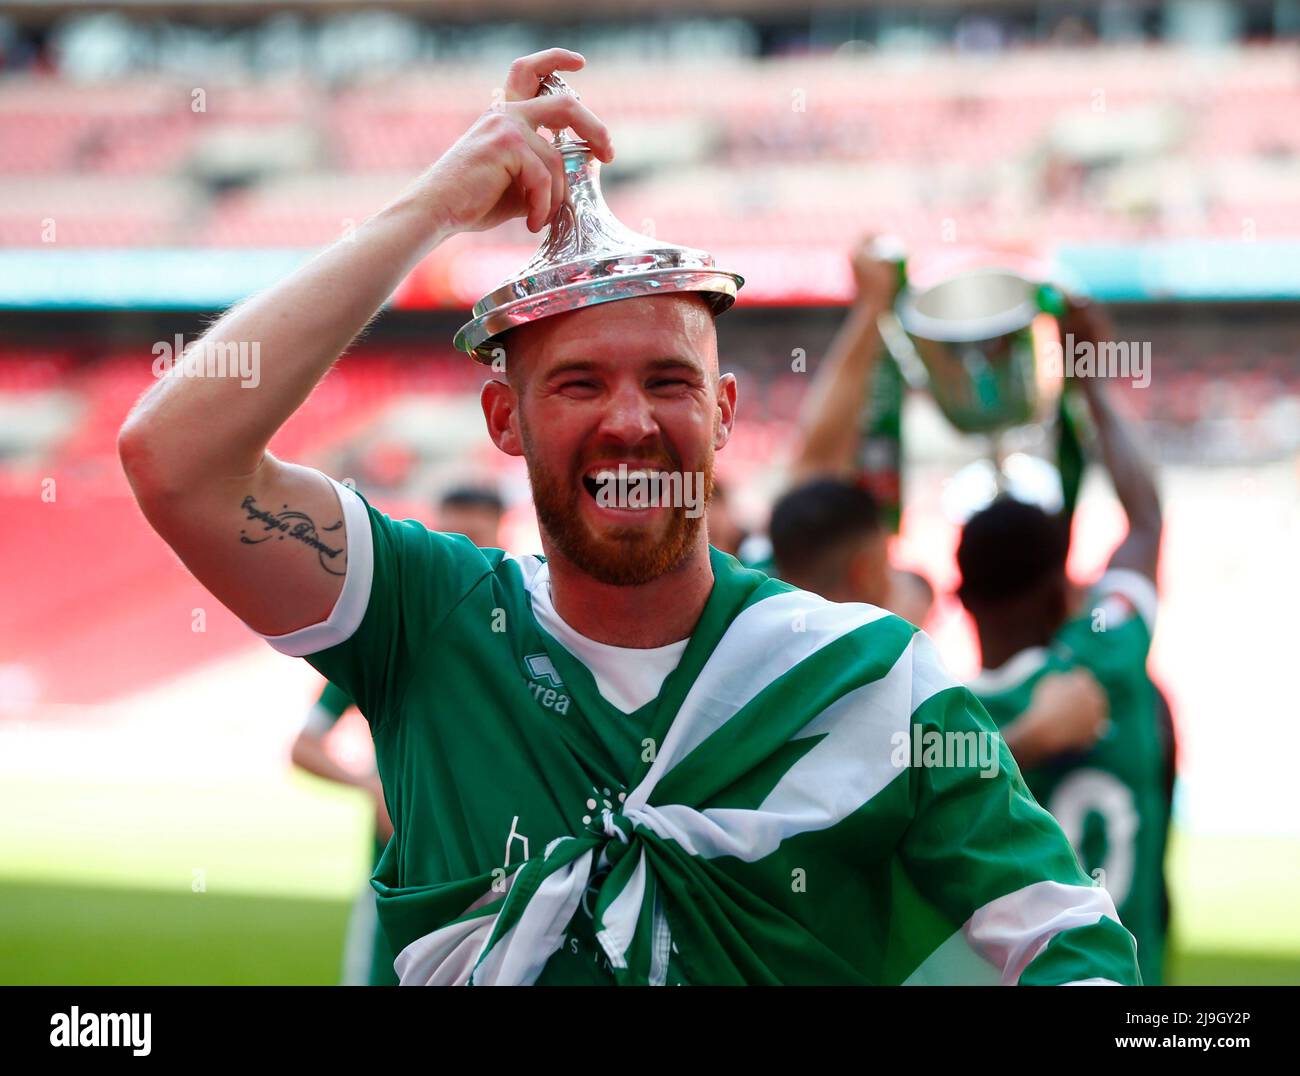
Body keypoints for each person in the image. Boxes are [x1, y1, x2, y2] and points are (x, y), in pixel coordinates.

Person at [119, 48, 1139, 985]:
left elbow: (1068, 943)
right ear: (503, 417)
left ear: (725, 411)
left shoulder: (869, 676)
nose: (630, 423)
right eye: (575, 385)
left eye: (668, 380)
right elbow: (176, 460)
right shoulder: (431, 623)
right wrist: (431, 207)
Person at [955, 299, 1169, 984]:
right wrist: (1091, 378)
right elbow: (1145, 524)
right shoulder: (1109, 656)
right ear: (1062, 590)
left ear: (962, 598)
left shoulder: (941, 721)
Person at [290, 484, 505, 985]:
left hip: (499, 880)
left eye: (473, 536)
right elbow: (304, 746)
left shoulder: (524, 628)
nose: (460, 550)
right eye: (449, 535)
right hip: (404, 877)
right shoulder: (393, 638)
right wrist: (371, 787)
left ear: (501, 531)